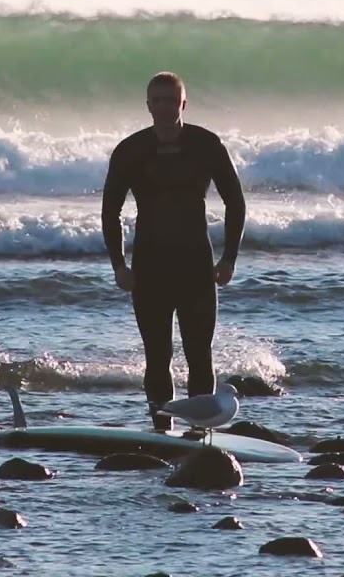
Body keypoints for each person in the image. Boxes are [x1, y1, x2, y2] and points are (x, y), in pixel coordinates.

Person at [101, 71, 246, 430]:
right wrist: (119, 265)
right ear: (148, 105)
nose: (165, 107)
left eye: (172, 99)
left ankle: (200, 434)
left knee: (200, 357)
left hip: (196, 265)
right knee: (157, 357)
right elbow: (110, 210)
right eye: (158, 100)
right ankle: (161, 431)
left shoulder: (206, 145)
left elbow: (236, 202)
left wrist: (228, 259)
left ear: (184, 103)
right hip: (149, 266)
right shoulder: (131, 150)